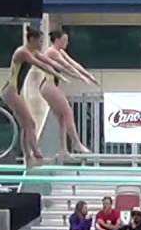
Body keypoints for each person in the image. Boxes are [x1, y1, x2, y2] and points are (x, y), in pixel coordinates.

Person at [2, 27, 64, 162]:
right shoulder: (22, 52)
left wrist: (65, 69)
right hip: (11, 91)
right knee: (30, 123)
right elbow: (40, 64)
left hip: (14, 92)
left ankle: (28, 157)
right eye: (40, 41)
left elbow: (48, 62)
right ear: (31, 40)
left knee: (26, 125)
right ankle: (37, 155)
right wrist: (57, 74)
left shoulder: (33, 52)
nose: (42, 44)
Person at [39, 29, 97, 157]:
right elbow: (67, 67)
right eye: (64, 40)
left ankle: (63, 150)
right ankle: (76, 143)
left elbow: (74, 63)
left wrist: (88, 75)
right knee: (67, 112)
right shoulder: (52, 52)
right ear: (57, 40)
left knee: (61, 117)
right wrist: (81, 77)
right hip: (48, 85)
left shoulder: (59, 51)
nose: (67, 42)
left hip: (50, 86)